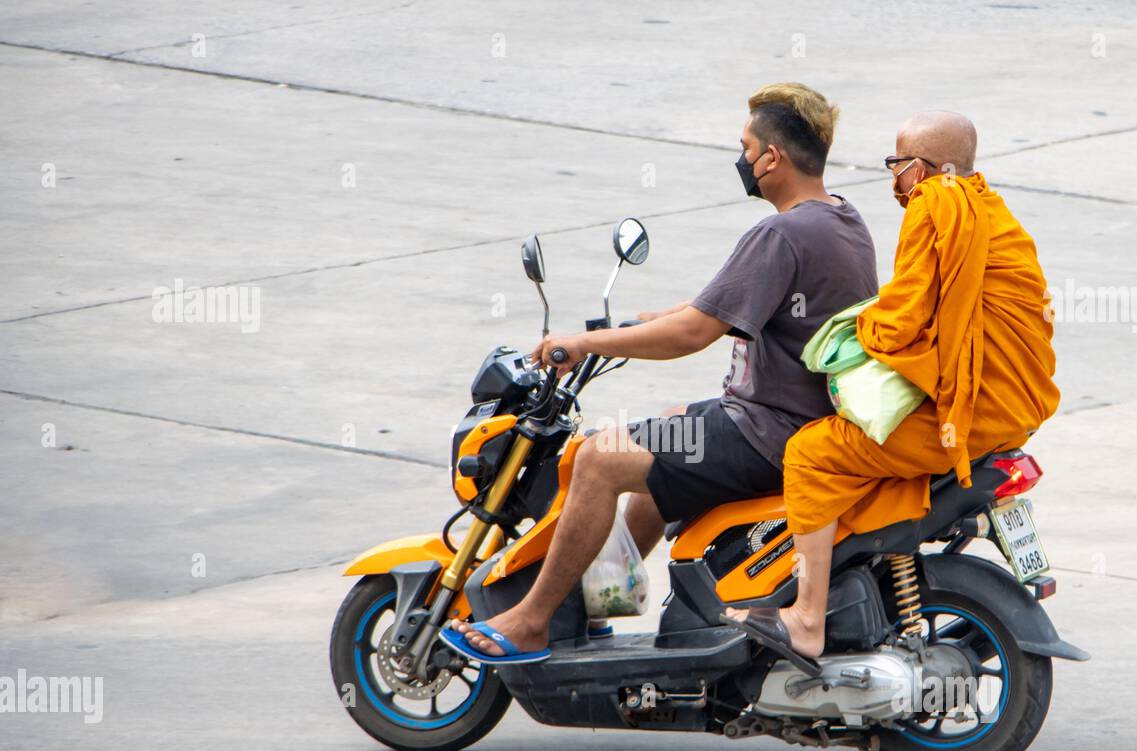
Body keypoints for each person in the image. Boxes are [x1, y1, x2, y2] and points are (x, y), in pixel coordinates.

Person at [440, 82, 878, 663]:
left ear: (772, 158)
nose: (742, 159)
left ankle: (531, 621)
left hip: (767, 432)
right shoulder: (840, 219)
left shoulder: (781, 233)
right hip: (784, 422)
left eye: (746, 147)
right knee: (667, 429)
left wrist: (581, 342)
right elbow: (725, 307)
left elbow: (692, 335)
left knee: (598, 457)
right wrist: (663, 314)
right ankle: (599, 607)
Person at [728, 110, 1061, 660]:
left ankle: (807, 617)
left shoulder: (939, 205)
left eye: (901, 165)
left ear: (937, 168)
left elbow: (904, 320)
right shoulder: (989, 208)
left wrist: (853, 328)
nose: (894, 181)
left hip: (969, 415)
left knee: (812, 453)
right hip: (1012, 408)